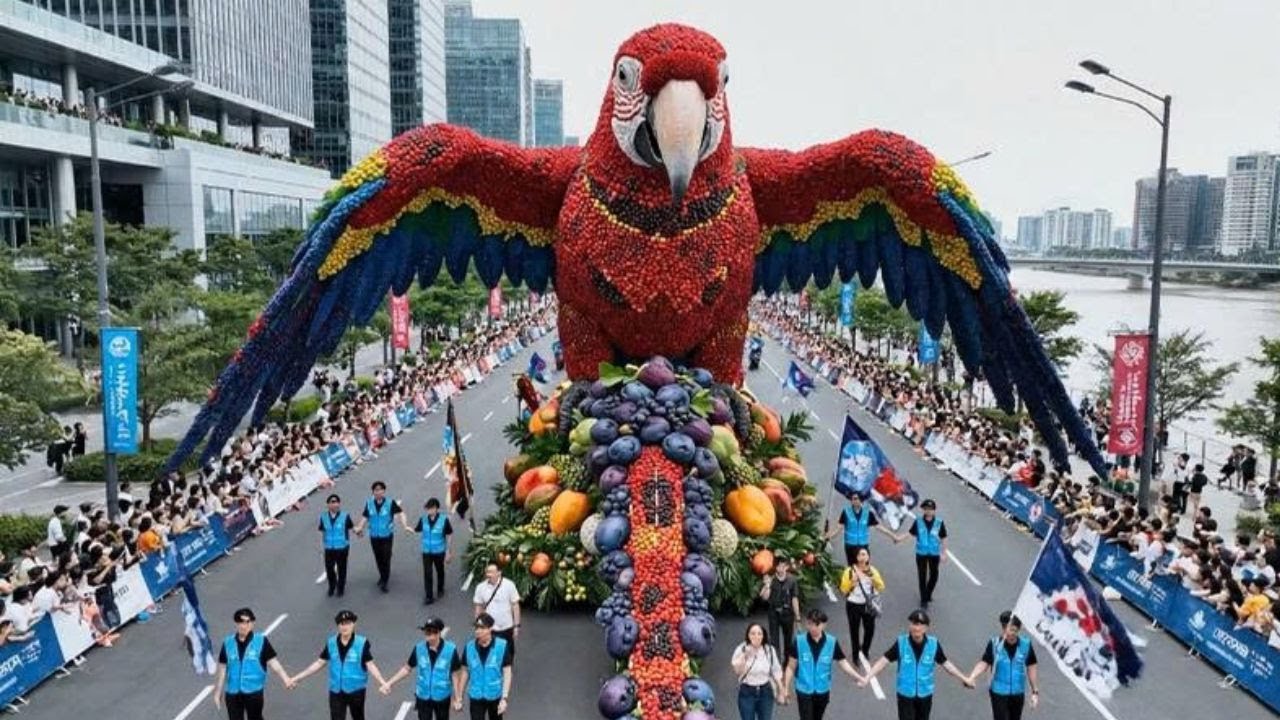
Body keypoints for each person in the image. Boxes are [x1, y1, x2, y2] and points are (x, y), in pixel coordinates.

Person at [865, 609, 974, 720]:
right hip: (905, 694)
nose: (916, 628)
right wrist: (867, 677)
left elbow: (946, 664)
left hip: (925, 694)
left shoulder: (933, 644)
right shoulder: (901, 642)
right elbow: (883, 661)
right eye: (913, 623)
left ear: (926, 628)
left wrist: (964, 678)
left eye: (919, 624)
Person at [290, 610, 388, 720]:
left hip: (356, 690)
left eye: (348, 623)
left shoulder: (361, 643)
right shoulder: (331, 643)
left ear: (354, 624)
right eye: (341, 623)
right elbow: (319, 662)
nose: (344, 626)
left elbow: (370, 665)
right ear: (338, 626)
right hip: (336, 691)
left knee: (358, 717)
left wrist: (382, 682)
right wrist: (298, 678)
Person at [781, 608, 867, 720]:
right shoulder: (799, 641)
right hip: (804, 690)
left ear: (824, 625)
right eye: (810, 624)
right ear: (807, 624)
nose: (813, 628)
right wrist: (785, 687)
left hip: (823, 690)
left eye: (817, 624)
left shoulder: (832, 642)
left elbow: (843, 663)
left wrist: (858, 677)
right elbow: (791, 667)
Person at [212, 607, 294, 720]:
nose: (243, 625)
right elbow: (222, 668)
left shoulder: (261, 641)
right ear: (236, 623)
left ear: (252, 623)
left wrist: (286, 679)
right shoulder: (227, 643)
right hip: (233, 692)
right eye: (240, 622)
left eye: (247, 622)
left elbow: (273, 663)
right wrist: (218, 691)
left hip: (253, 691)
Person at [380, 617, 464, 720]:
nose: (427, 636)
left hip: (442, 696)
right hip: (423, 696)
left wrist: (457, 698)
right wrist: (389, 683)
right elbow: (407, 668)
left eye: (430, 632)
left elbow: (455, 674)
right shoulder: (419, 648)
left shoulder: (450, 649)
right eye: (426, 632)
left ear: (437, 633)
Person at [966, 611, 1040, 720]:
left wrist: (1035, 691)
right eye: (1008, 629)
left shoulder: (1026, 645)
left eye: (1014, 630)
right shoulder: (995, 644)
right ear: (1003, 628)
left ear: (1019, 629)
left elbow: (1031, 665)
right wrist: (972, 676)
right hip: (999, 692)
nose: (1010, 633)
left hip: (1018, 693)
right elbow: (984, 663)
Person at [895, 499, 948, 607]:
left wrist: (944, 553)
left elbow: (944, 538)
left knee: (934, 576)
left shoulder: (939, 522)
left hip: (934, 553)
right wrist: (900, 539)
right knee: (922, 576)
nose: (928, 511)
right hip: (921, 553)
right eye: (926, 509)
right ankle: (924, 599)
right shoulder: (918, 521)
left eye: (931, 509)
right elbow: (911, 533)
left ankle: (928, 593)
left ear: (934, 510)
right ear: (923, 510)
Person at [461, 613, 513, 720]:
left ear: (490, 629)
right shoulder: (469, 647)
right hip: (476, 696)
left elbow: (507, 672)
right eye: (476, 628)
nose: (478, 631)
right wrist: (459, 696)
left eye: (482, 628)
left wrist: (504, 698)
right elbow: (465, 671)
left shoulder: (501, 646)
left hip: (495, 696)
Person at [355, 481, 404, 592]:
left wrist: (404, 524)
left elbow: (400, 513)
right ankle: (382, 576)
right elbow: (365, 516)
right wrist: (359, 527)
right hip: (374, 536)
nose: (378, 492)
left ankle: (385, 581)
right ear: (373, 492)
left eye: (380, 490)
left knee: (386, 558)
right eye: (376, 490)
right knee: (378, 558)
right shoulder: (369, 503)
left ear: (384, 491)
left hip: (387, 536)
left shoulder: (390, 503)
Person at [839, 547, 885, 663]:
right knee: (854, 630)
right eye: (860, 554)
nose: (863, 557)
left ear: (868, 557)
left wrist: (873, 579)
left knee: (870, 630)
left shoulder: (873, 571)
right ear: (856, 557)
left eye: (865, 554)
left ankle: (865, 650)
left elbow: (881, 587)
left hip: (868, 605)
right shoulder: (849, 571)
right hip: (853, 604)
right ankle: (855, 655)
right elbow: (843, 590)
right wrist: (852, 582)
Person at [405, 498, 452, 605]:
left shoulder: (444, 520)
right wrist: (410, 529)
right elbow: (417, 529)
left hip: (439, 551)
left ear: (436, 508)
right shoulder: (423, 519)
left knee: (440, 571)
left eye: (430, 508)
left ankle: (440, 589)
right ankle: (429, 596)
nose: (428, 511)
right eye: (427, 509)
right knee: (427, 573)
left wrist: (448, 551)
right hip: (426, 551)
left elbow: (449, 534)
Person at [732, 622, 784, 720]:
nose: (756, 636)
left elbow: (776, 671)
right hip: (747, 691)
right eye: (753, 633)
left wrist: (781, 690)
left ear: (763, 636)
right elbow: (737, 671)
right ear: (748, 635)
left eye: (759, 633)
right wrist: (745, 656)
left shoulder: (769, 650)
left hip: (765, 691)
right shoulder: (741, 649)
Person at [826, 493, 896, 564]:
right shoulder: (846, 512)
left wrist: (893, 536)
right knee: (853, 568)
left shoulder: (868, 513)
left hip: (863, 545)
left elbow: (879, 527)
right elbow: (838, 528)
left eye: (856, 498)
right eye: (852, 499)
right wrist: (828, 536)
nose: (854, 501)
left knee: (864, 567)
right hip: (850, 545)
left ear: (861, 500)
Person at [472, 563, 521, 659]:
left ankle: (507, 670)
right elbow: (478, 607)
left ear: (499, 573)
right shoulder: (481, 587)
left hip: (506, 627)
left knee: (508, 653)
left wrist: (516, 626)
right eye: (487, 572)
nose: (488, 574)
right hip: (490, 629)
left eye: (491, 572)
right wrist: (478, 627)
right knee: (491, 654)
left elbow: (515, 605)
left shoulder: (509, 585)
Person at [759, 555, 800, 660]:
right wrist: (767, 585)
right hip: (774, 613)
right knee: (774, 641)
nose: (780, 569)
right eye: (778, 566)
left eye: (783, 566)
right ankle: (776, 663)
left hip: (787, 613)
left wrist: (798, 617)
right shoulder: (771, 579)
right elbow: (764, 597)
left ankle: (787, 663)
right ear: (775, 567)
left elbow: (794, 598)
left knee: (788, 640)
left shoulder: (792, 580)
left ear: (787, 567)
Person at [319, 494, 357, 597]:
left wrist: (358, 531)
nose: (335, 504)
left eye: (336, 502)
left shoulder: (345, 516)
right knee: (329, 568)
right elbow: (323, 531)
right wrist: (323, 545)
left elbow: (352, 527)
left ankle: (341, 588)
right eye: (332, 502)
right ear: (328, 505)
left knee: (342, 568)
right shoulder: (323, 517)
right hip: (329, 548)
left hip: (342, 547)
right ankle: (332, 586)